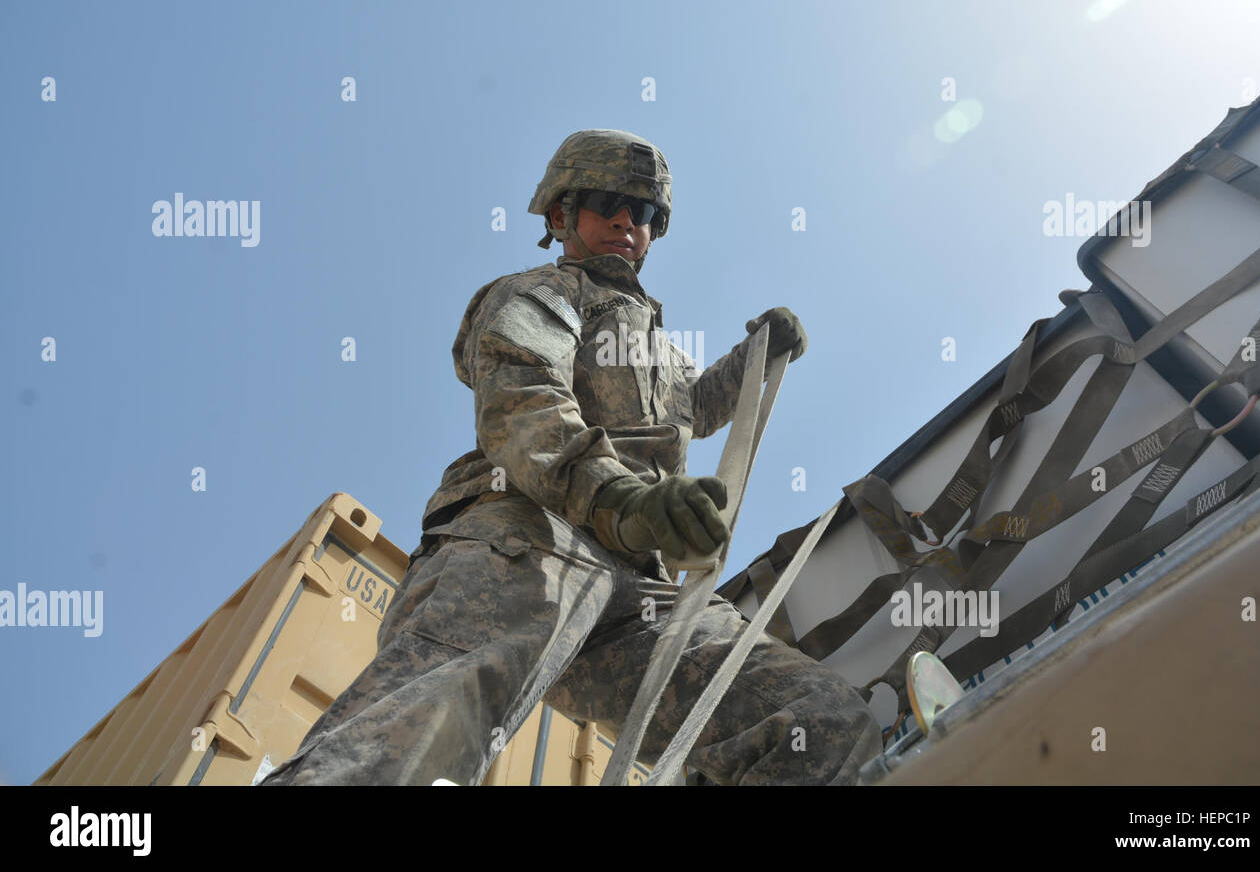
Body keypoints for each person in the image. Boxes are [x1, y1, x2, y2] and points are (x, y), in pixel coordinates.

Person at [259, 129, 883, 786]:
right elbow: (524, 402)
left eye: (643, 212)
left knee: (822, 722)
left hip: (637, 588)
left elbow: (690, 409)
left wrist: (755, 357)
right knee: (408, 751)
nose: (625, 220)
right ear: (560, 215)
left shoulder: (658, 347)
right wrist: (624, 500)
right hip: (533, 535)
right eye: (608, 201)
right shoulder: (540, 293)